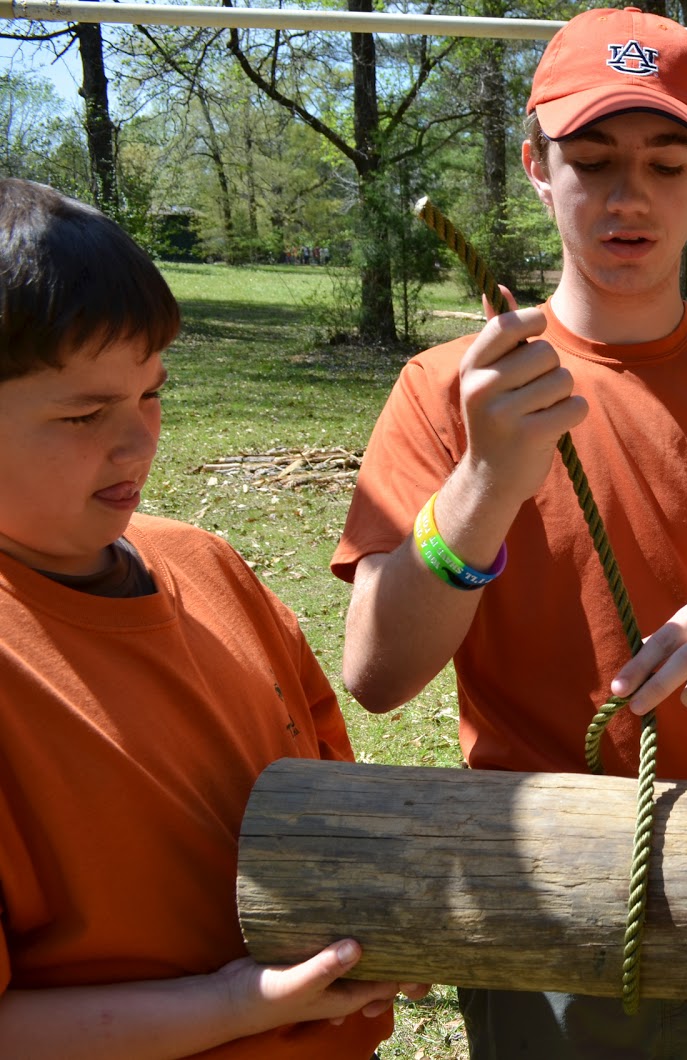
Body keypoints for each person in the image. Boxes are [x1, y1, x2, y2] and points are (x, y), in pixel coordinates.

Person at [332, 7, 687, 1058]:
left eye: (666, 163)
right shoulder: (447, 390)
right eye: (592, 158)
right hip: (536, 884)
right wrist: (489, 477)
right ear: (538, 165)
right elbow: (376, 670)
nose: (629, 195)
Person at [0, 179, 424, 1056]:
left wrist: (380, 917)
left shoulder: (206, 564)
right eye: (85, 413)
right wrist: (232, 1005)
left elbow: (329, 807)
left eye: (151, 394)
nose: (139, 441)